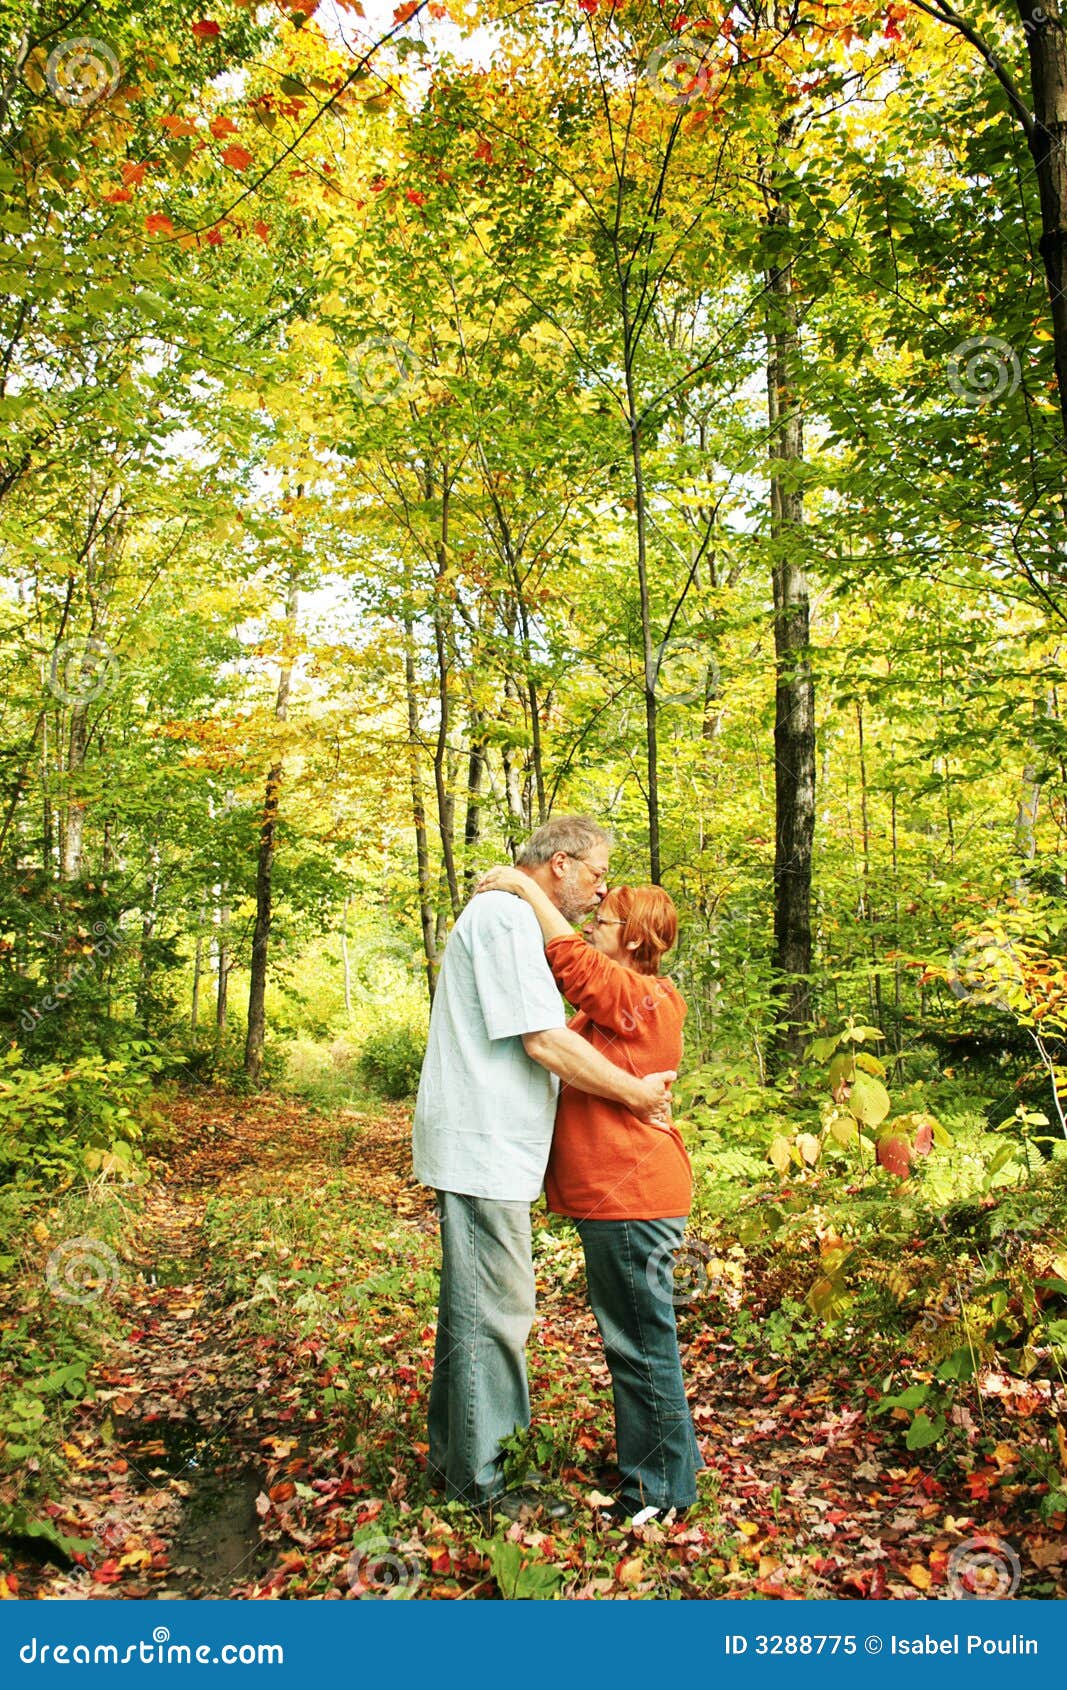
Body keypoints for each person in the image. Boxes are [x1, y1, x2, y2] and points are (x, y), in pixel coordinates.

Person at [412, 816, 676, 1519]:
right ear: (560, 863)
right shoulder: (503, 918)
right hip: (483, 1146)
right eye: (594, 876)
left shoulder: (511, 915)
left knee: (476, 1309)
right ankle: (488, 1486)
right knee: (493, 1314)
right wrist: (633, 1094)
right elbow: (544, 1040)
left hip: (492, 1147)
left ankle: (455, 1464)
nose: (597, 894)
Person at [475, 864, 702, 1525]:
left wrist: (525, 890)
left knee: (639, 1341)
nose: (587, 927)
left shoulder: (641, 997)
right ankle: (663, 1471)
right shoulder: (616, 1007)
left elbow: (569, 961)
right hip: (620, 1199)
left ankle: (659, 1494)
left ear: (631, 939)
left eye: (601, 922)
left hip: (633, 1198)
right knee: (635, 1337)